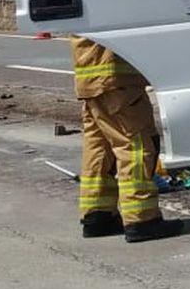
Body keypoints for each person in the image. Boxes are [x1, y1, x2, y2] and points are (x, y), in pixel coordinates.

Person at [72, 38, 183, 242]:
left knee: (99, 149)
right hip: (116, 82)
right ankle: (141, 219)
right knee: (135, 146)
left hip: (91, 81)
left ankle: (97, 215)